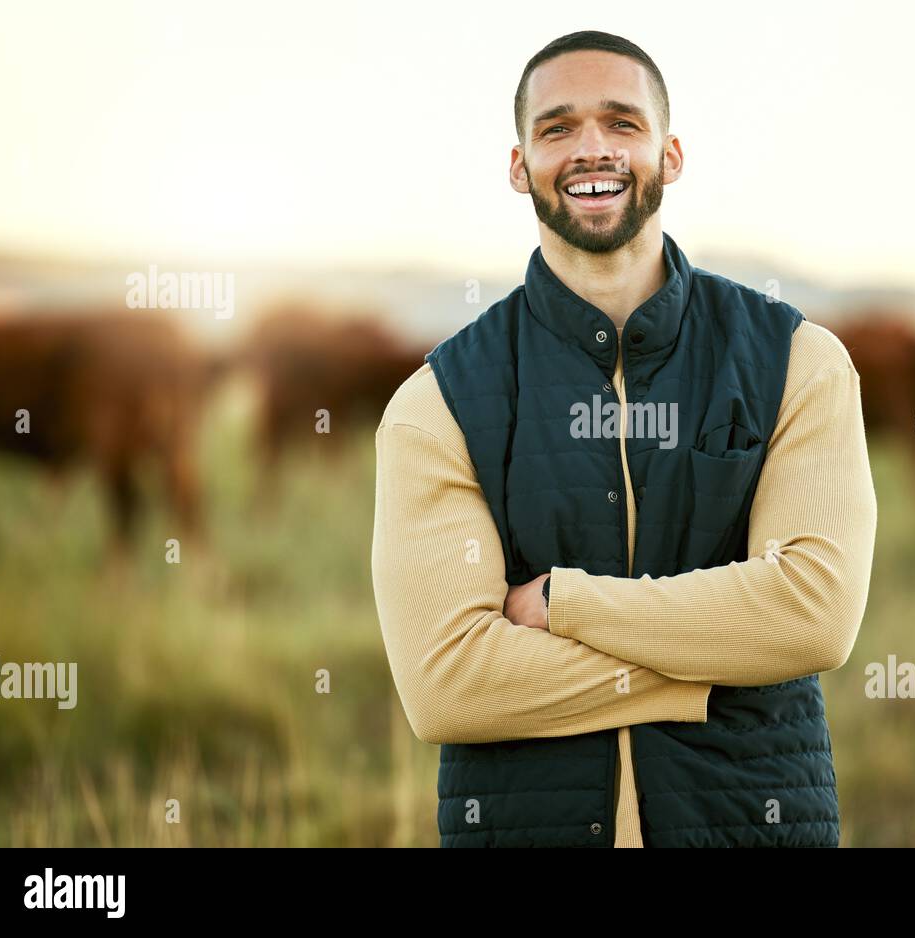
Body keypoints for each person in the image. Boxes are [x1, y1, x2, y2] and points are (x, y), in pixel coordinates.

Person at [371, 30, 877, 847]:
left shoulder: (799, 362)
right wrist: (715, 662)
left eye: (622, 122)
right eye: (558, 128)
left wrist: (565, 604)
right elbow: (448, 687)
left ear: (671, 156)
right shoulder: (437, 404)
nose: (592, 149)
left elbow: (814, 618)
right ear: (517, 166)